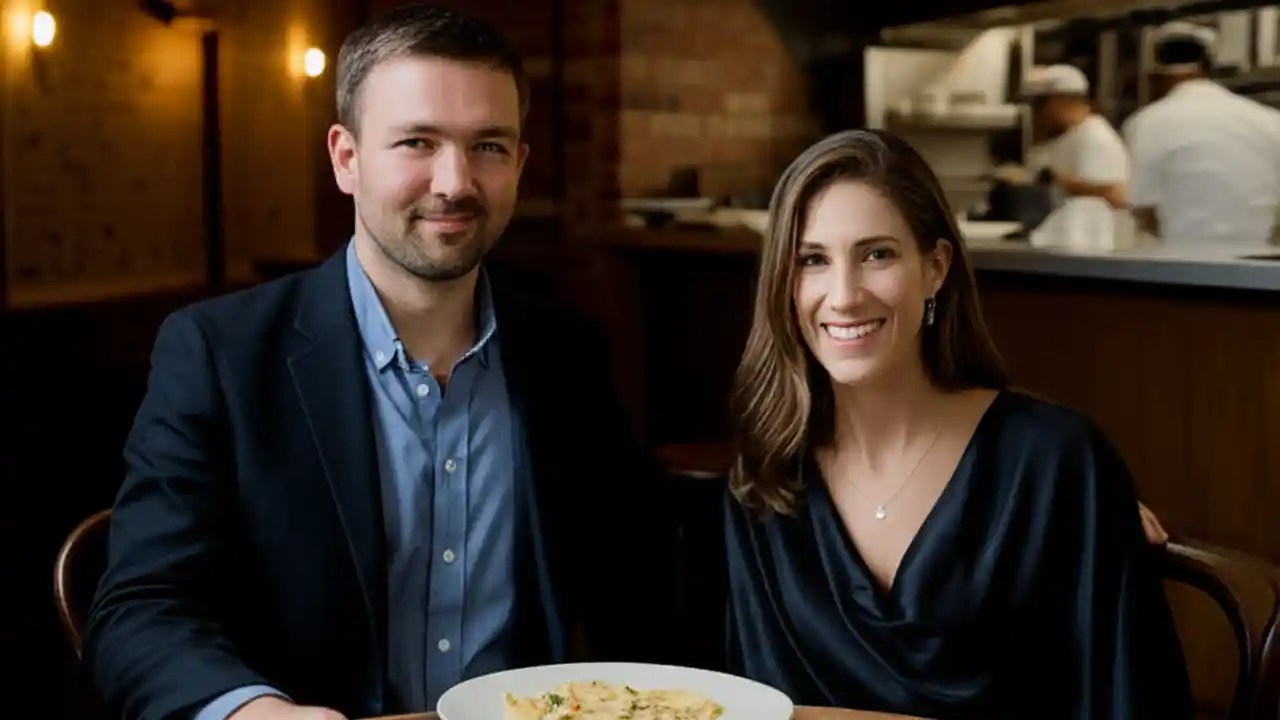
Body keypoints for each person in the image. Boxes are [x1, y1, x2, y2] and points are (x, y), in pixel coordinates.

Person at [84, 5, 674, 720]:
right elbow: (141, 607)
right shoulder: (220, 353)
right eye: (418, 142)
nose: (455, 182)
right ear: (346, 158)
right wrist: (250, 712)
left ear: (519, 164)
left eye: (488, 146)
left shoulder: (566, 353)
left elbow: (644, 584)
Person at [722, 128, 1192, 718]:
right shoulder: (767, 478)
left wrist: (1094, 501)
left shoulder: (1053, 464)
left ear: (936, 268)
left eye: (877, 254)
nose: (842, 295)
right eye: (812, 260)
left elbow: (1132, 700)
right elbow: (754, 705)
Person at [1121, 21, 1280, 245]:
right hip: (1259, 265)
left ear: (1154, 75)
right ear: (1208, 66)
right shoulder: (1269, 120)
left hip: (1182, 264)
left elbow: (1143, 209)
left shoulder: (1147, 123)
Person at [1021, 64, 1134, 250]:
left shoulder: (1096, 138)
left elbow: (1117, 195)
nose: (1036, 113)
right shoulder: (1069, 136)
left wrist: (1054, 179)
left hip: (1095, 246)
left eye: (1040, 104)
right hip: (1070, 243)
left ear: (1061, 101)